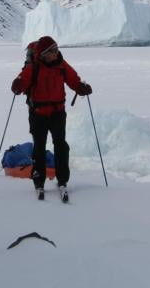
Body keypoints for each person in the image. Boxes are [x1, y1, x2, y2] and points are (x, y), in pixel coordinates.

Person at [10, 35, 92, 200]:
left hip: (57, 113)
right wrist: (17, 85)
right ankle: (38, 180)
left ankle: (62, 180)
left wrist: (81, 87)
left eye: (56, 49)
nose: (56, 52)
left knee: (61, 145)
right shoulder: (33, 67)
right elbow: (22, 81)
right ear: (44, 54)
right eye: (52, 50)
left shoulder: (61, 64)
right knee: (39, 147)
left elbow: (72, 79)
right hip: (38, 113)